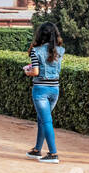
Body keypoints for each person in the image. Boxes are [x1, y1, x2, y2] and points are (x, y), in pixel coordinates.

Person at [24, 21, 64, 163]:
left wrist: (27, 71)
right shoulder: (60, 50)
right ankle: (37, 150)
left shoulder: (36, 51)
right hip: (55, 89)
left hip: (41, 90)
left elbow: (35, 71)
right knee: (42, 119)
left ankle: (53, 154)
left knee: (46, 121)